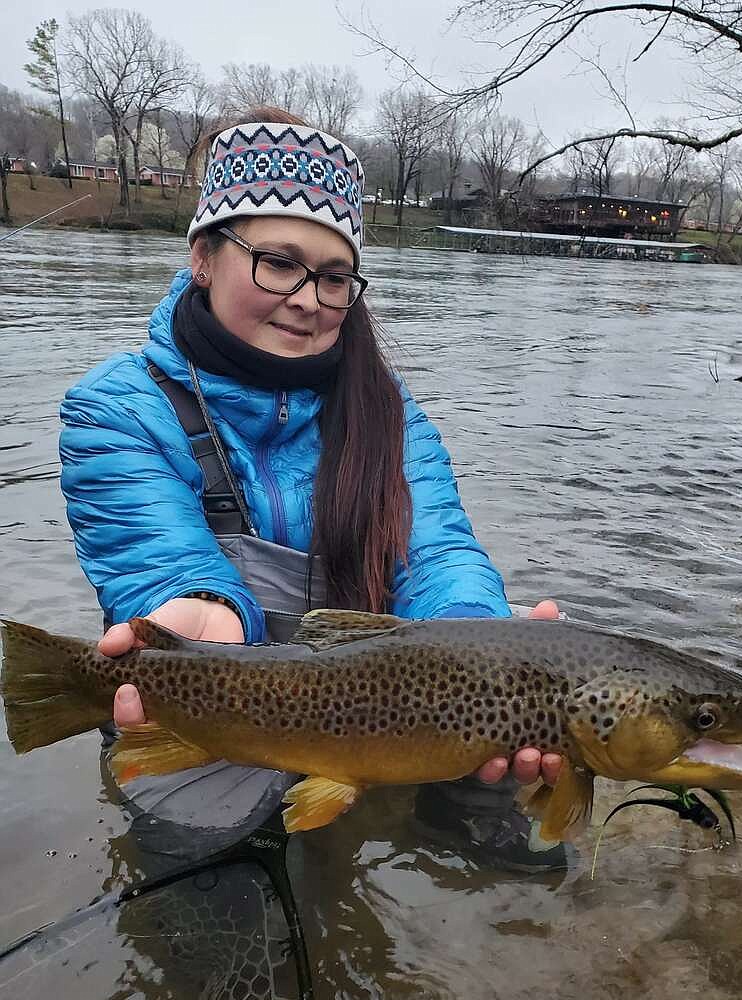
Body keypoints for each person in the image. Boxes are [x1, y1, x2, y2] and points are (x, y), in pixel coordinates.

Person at [59, 109, 567, 871]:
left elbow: (437, 554)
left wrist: (477, 640)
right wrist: (201, 622)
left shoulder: (390, 413)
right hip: (216, 689)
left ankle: (448, 804)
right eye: (277, 262)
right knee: (213, 917)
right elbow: (157, 557)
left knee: (536, 658)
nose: (307, 298)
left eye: (333, 277)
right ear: (203, 256)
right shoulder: (116, 407)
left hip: (372, 699)